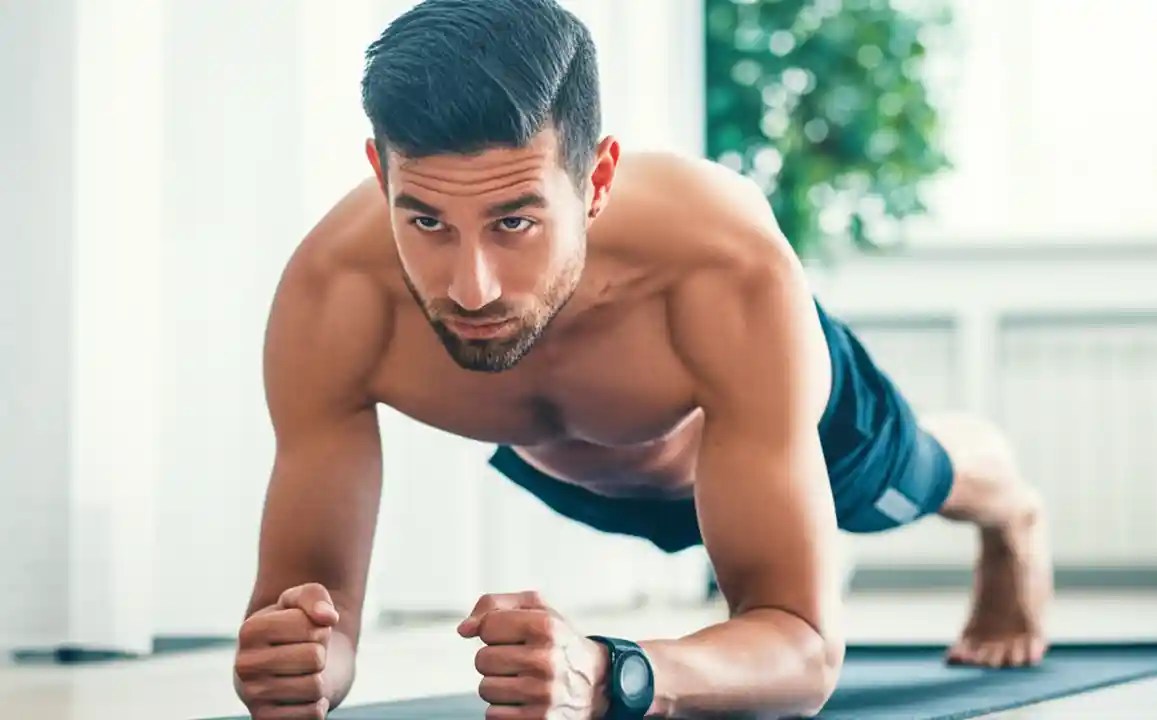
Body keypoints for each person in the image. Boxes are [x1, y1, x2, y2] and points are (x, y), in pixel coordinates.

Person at [231, 1, 1053, 718]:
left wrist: (613, 673)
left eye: (515, 223)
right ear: (381, 179)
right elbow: (316, 614)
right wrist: (301, 666)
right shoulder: (333, 299)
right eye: (427, 224)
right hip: (589, 475)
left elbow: (803, 650)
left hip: (774, 430)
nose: (472, 289)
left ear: (597, 180)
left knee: (914, 480)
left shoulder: (722, 269)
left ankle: (1013, 516)